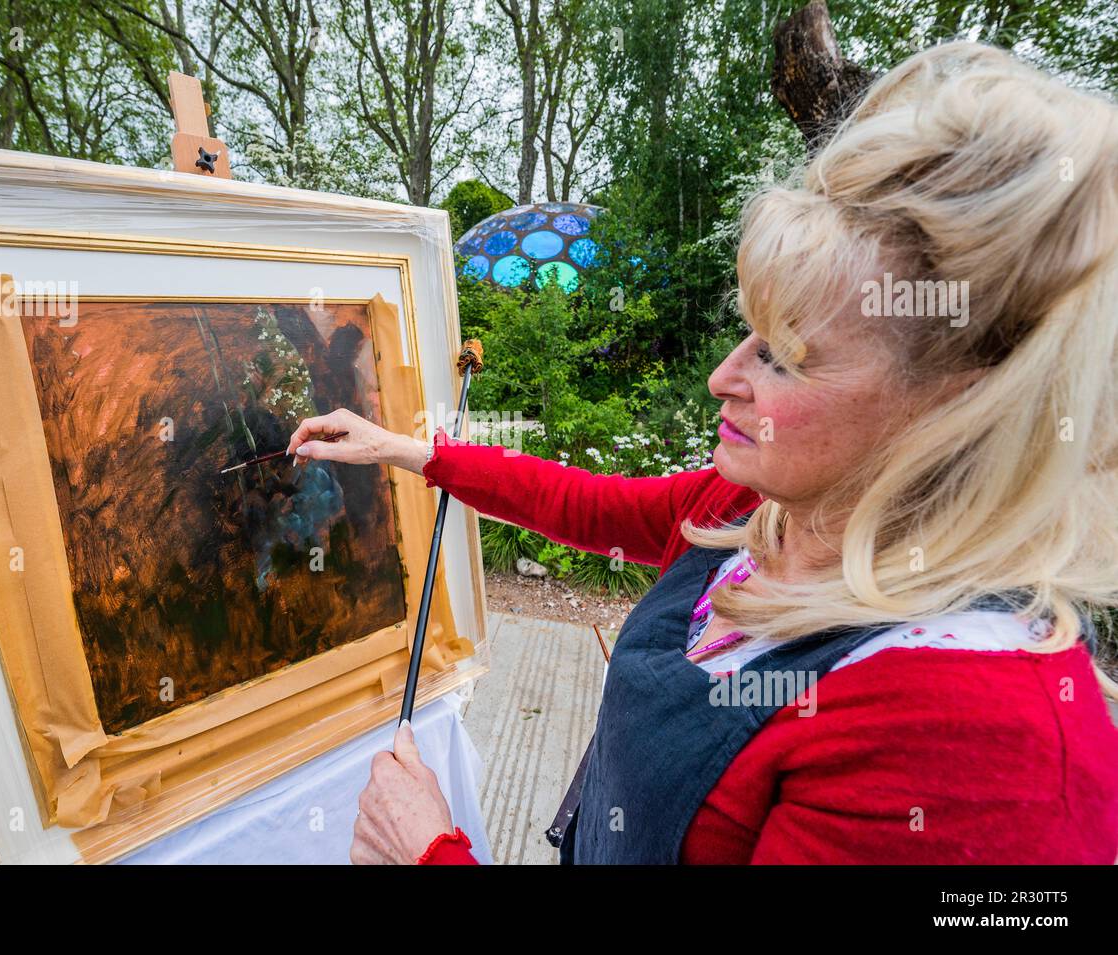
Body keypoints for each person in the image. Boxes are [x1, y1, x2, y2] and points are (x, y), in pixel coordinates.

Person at [289, 41, 1118, 864]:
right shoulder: (766, 510)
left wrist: (429, 850)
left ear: (959, 405)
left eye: (785, 354)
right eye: (747, 333)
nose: (725, 376)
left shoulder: (978, 758)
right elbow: (587, 505)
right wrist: (402, 448)